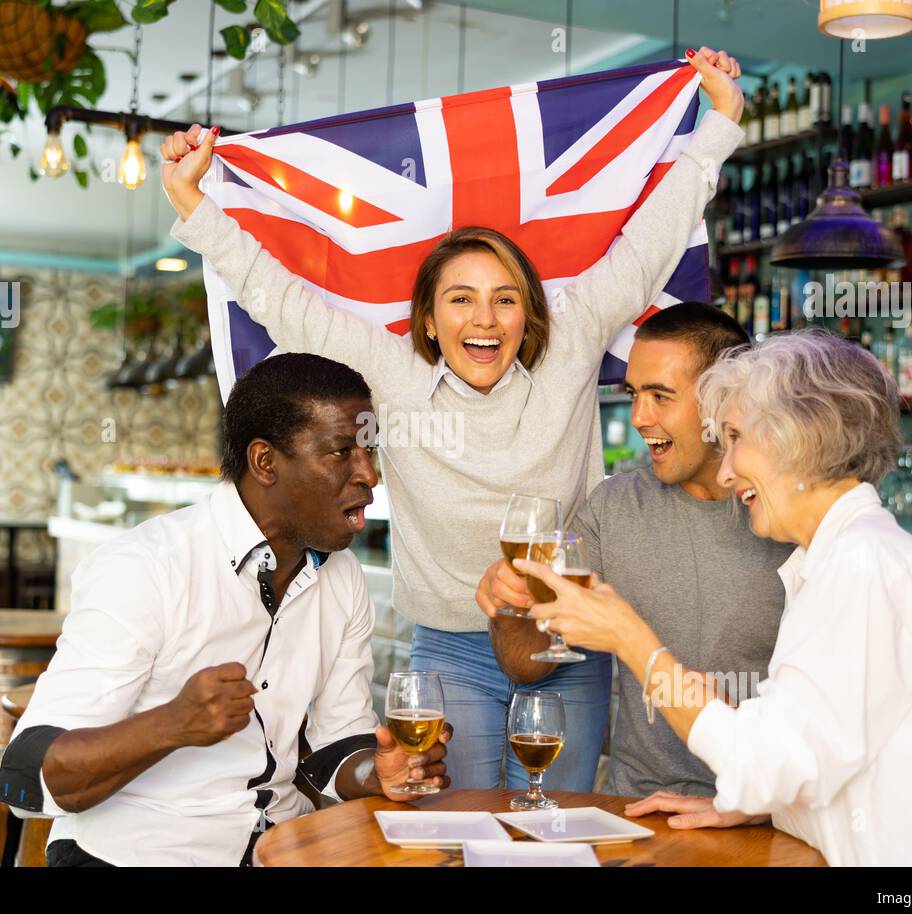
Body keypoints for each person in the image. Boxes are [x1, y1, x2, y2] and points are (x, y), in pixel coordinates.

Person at [159, 49, 747, 791]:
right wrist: (193, 204)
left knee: (551, 828)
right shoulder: (393, 376)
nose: (485, 318)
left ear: (528, 311)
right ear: (430, 322)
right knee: (457, 828)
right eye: (460, 299)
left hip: (565, 639)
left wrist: (720, 122)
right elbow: (283, 301)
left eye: (505, 298)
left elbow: (645, 249)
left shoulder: (566, 351)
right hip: (450, 650)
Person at [518, 331, 912, 865]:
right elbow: (815, 756)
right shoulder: (843, 559)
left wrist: (631, 639)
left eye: (735, 436)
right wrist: (754, 806)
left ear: (799, 437)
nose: (728, 467)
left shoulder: (862, 565)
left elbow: (763, 761)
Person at [0, 353, 452, 866]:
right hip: (137, 853)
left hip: (280, 847)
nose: (369, 474)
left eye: (369, 450)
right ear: (265, 462)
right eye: (341, 451)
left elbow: (335, 749)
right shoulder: (145, 567)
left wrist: (378, 772)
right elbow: (27, 776)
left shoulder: (343, 581)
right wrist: (173, 724)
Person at [475, 302, 793, 795]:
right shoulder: (613, 506)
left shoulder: (787, 516)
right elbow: (527, 663)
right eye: (634, 393)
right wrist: (509, 604)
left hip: (766, 805)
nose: (639, 416)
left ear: (725, 399)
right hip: (643, 807)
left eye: (661, 396)